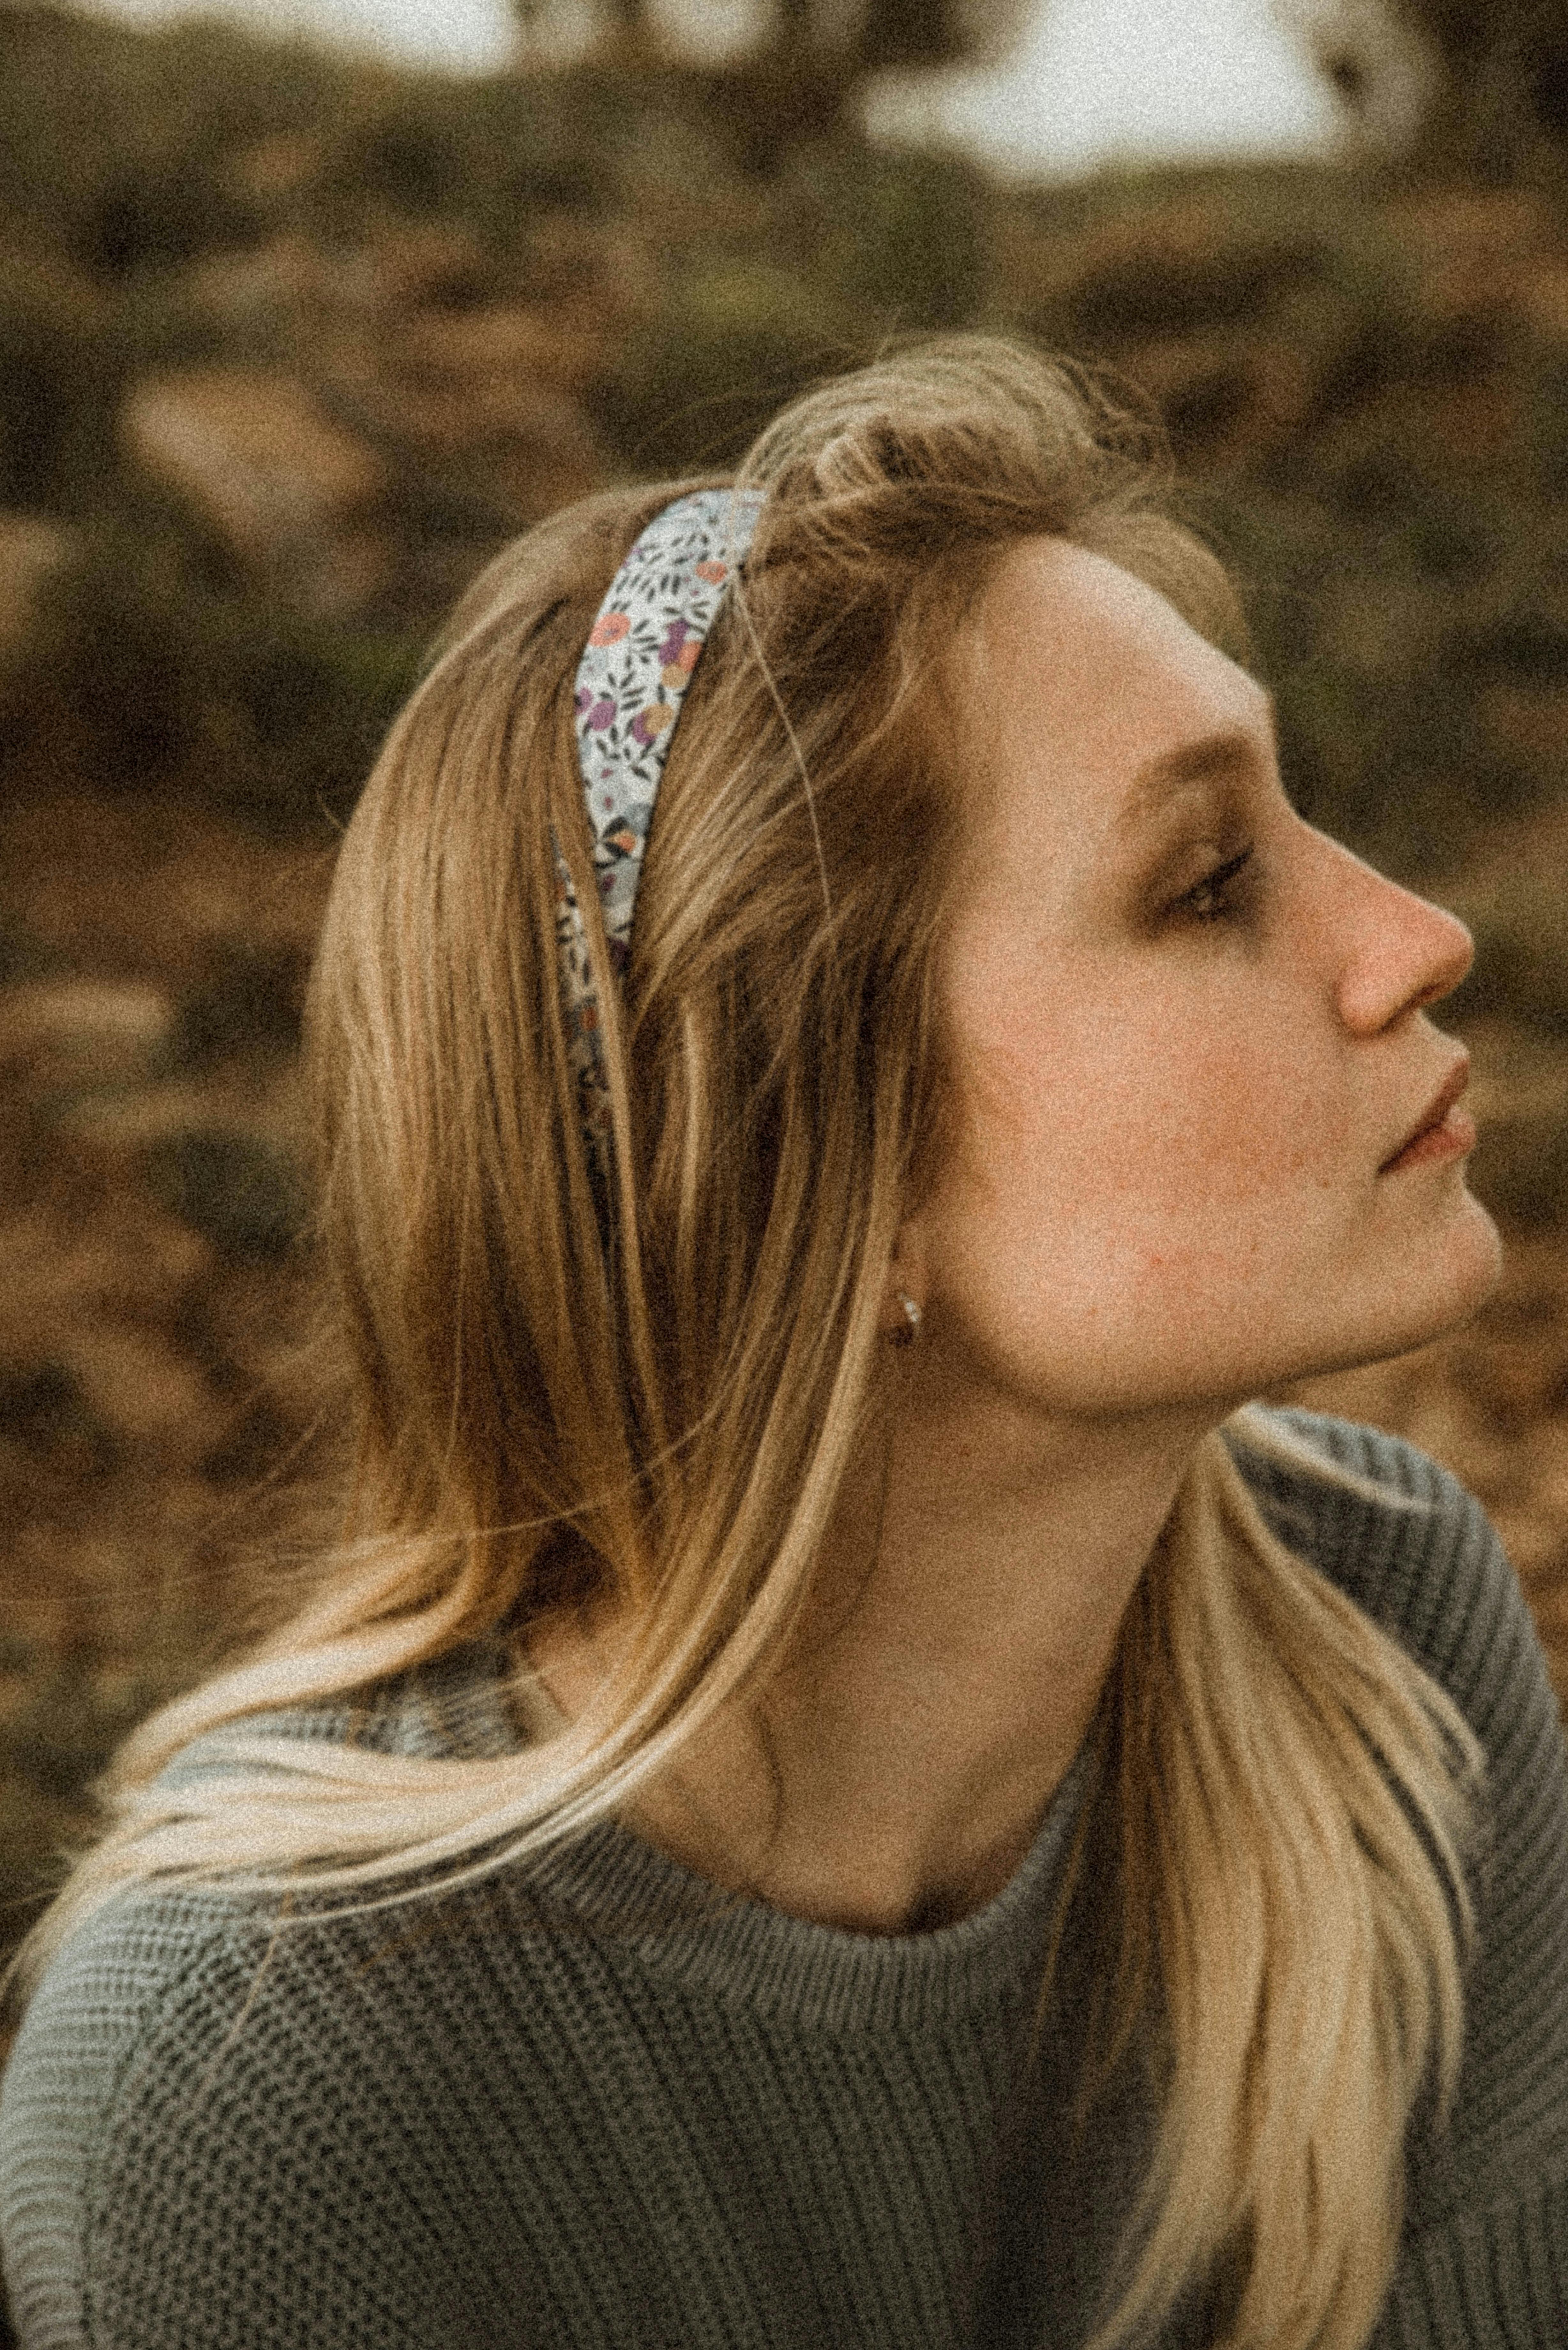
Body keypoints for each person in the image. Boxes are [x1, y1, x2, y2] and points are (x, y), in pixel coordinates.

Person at [0, 335, 1564, 2350]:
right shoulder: (257, 2095)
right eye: (1208, 882)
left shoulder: (1388, 1656)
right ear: (815, 1156)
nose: (1421, 934)